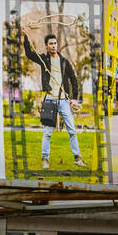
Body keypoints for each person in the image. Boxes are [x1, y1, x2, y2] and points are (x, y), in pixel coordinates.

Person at [22, 32, 83, 169]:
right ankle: (45, 159)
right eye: (51, 44)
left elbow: (74, 80)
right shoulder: (44, 59)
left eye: (55, 43)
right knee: (48, 132)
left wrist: (74, 98)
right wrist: (26, 36)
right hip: (50, 99)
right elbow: (29, 54)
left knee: (72, 130)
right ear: (46, 46)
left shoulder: (64, 62)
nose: (54, 46)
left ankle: (77, 158)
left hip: (64, 101)